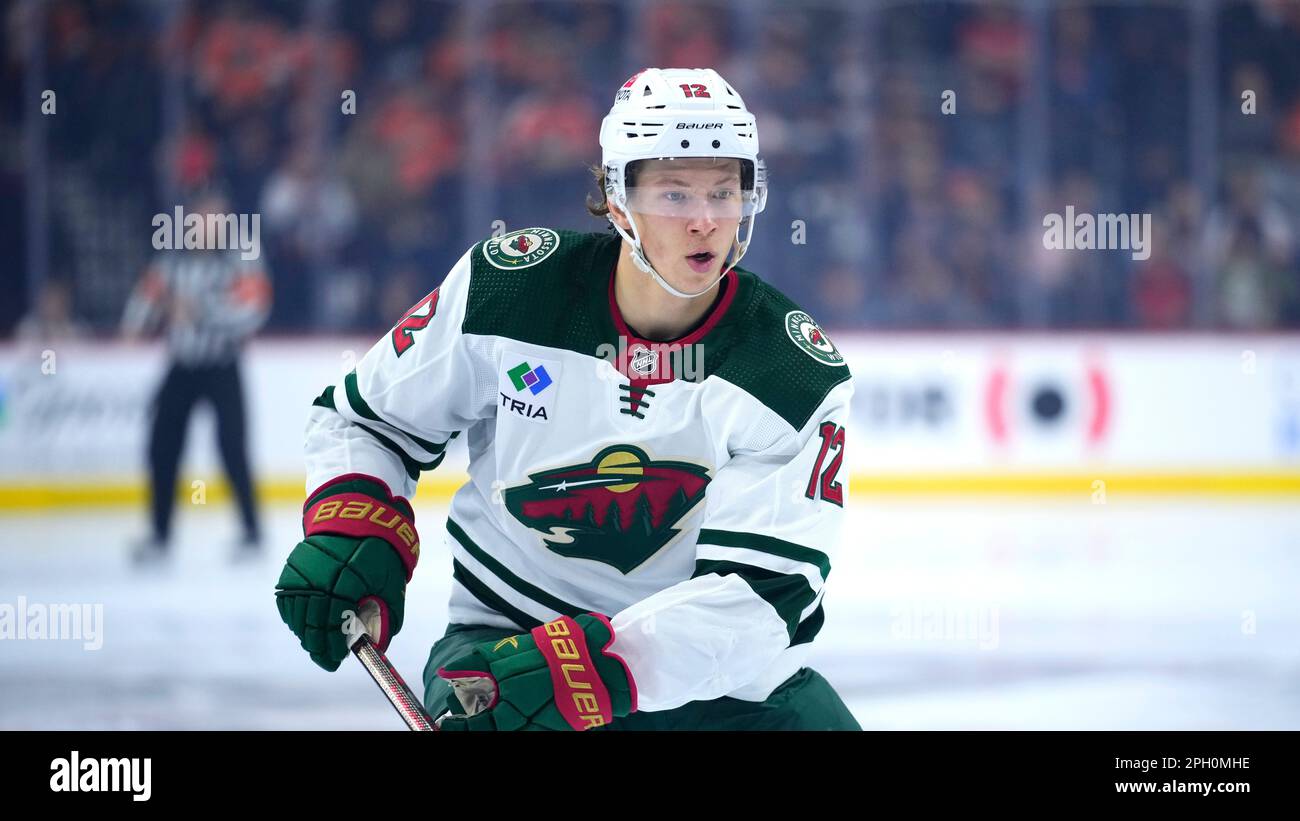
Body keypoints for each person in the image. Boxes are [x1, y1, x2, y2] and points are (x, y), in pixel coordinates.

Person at [275, 68, 858, 730]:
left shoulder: (790, 371)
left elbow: (759, 602)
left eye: (724, 192)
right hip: (505, 648)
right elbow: (368, 419)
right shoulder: (508, 290)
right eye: (674, 193)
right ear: (616, 200)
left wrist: (585, 670)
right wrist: (354, 522)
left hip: (718, 691)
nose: (705, 220)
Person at [121, 189, 272, 562]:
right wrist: (142, 321)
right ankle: (160, 535)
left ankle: (252, 532)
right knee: (162, 446)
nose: (211, 225)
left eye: (218, 217)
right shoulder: (172, 258)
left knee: (232, 447)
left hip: (223, 364)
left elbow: (254, 309)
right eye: (205, 217)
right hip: (182, 365)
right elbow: (143, 305)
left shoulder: (242, 254)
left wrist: (200, 311)